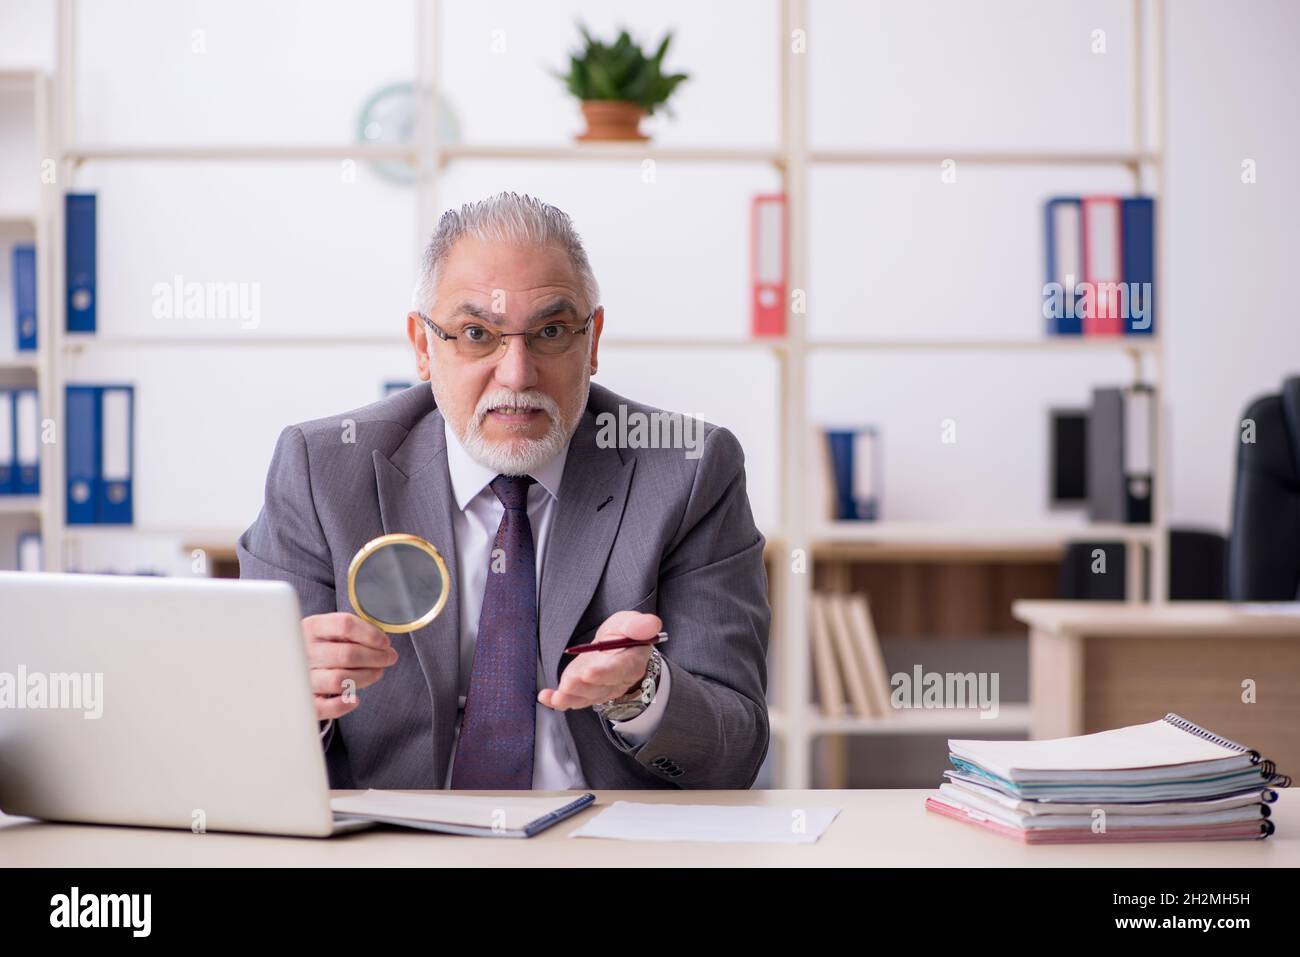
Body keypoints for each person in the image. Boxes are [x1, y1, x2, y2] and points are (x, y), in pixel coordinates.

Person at [237, 191, 770, 789]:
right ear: (422, 345)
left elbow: (735, 755)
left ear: (592, 341)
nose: (516, 374)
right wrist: (290, 697)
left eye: (549, 331)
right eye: (474, 332)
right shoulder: (321, 472)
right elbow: (247, 752)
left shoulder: (689, 472)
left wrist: (639, 692)